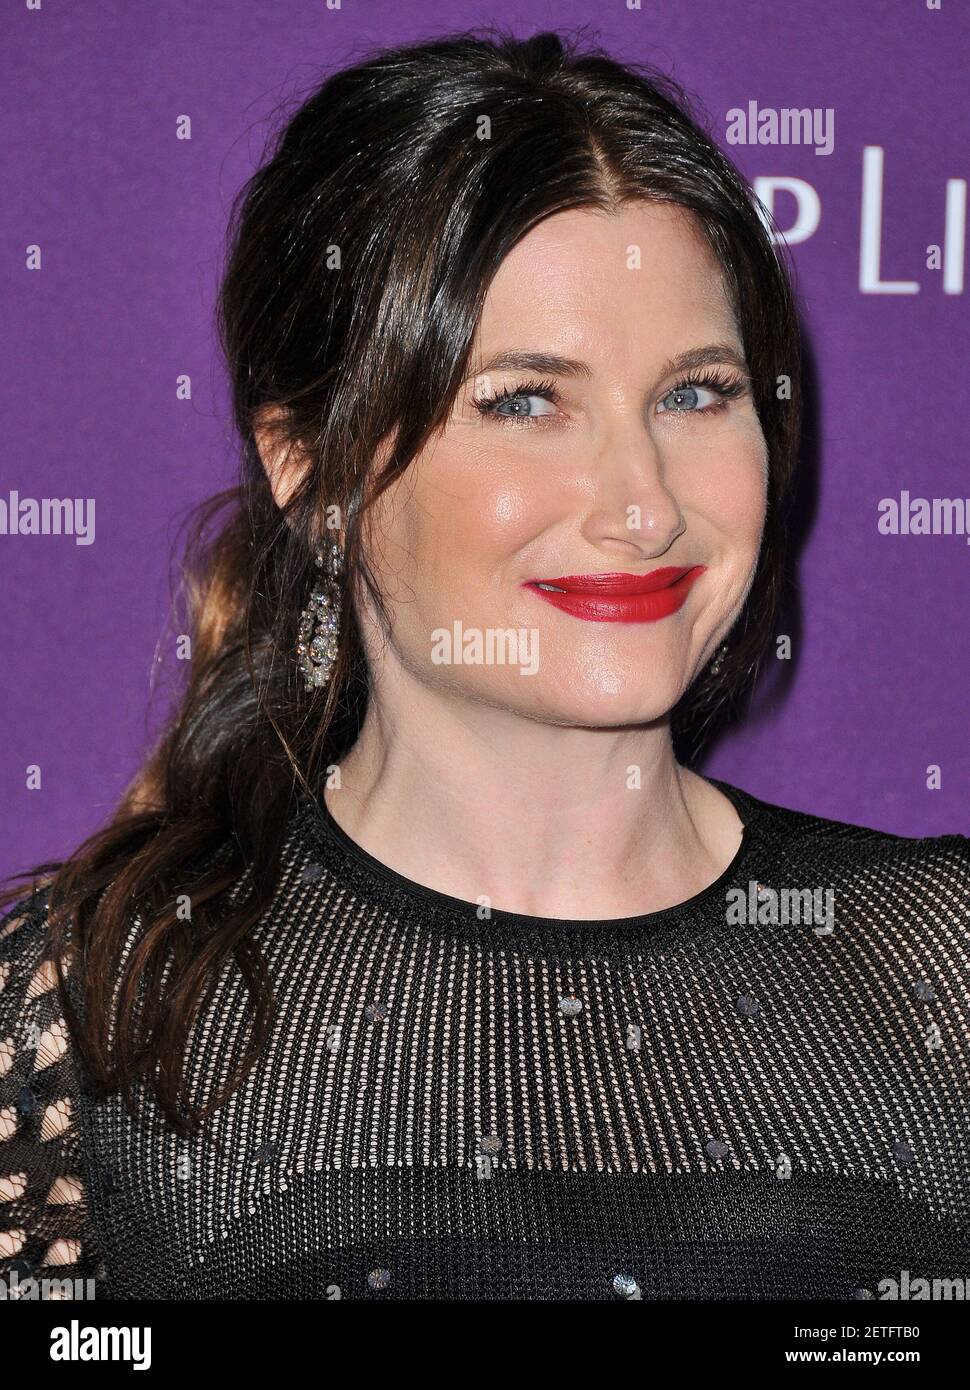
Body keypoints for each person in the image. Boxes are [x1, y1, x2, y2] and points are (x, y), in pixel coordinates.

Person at [1, 27, 967, 1302]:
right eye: (523, 399)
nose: (642, 505)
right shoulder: (99, 998)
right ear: (311, 465)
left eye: (696, 393)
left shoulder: (943, 969)